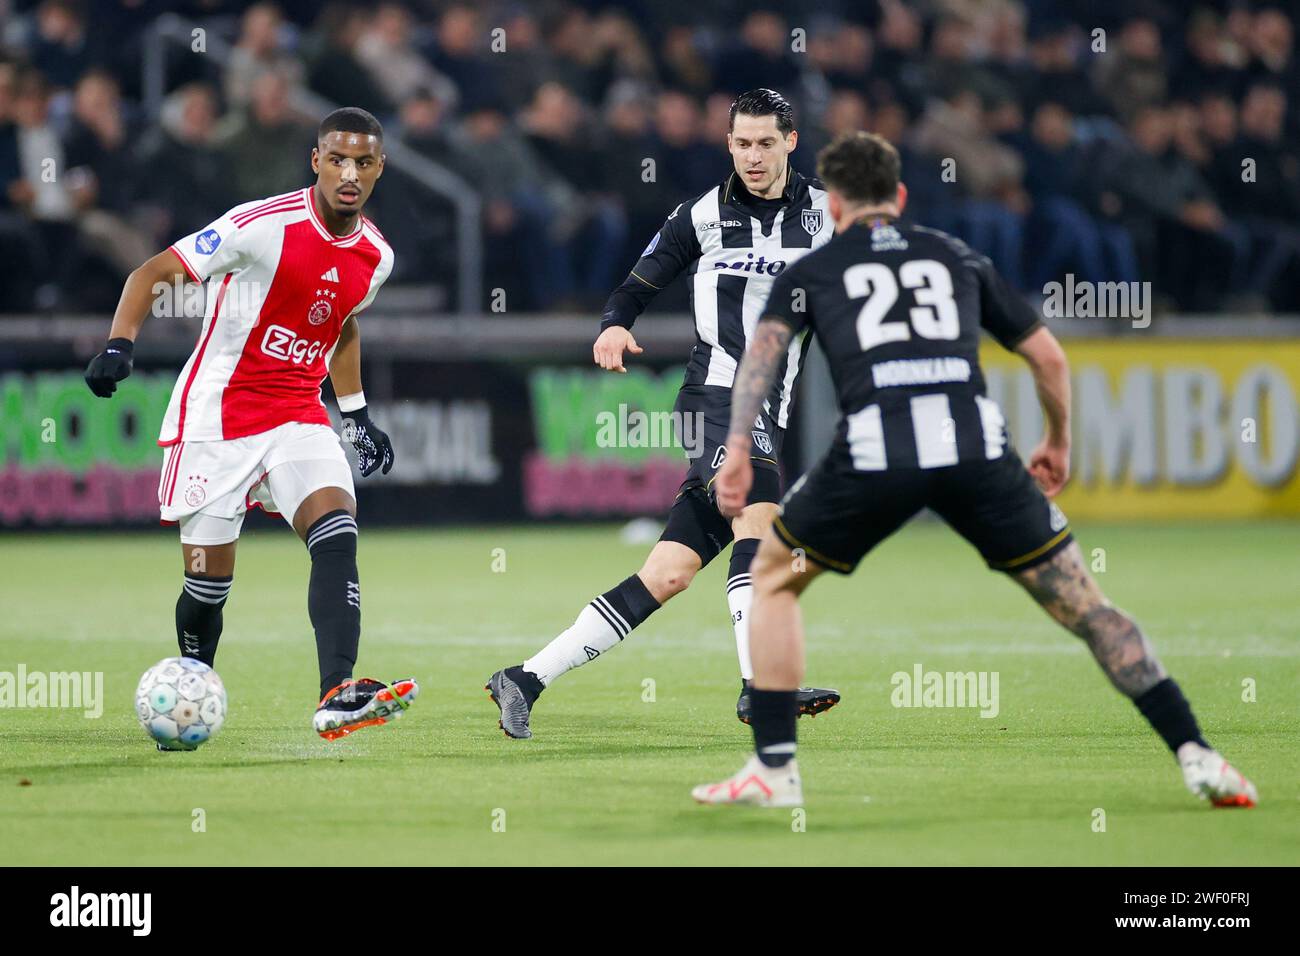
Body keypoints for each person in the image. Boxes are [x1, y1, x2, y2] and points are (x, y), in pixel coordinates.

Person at [692, 131, 1257, 810]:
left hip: (877, 454)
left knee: (772, 580)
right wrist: (1058, 442)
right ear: (899, 197)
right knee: (1088, 608)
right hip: (977, 454)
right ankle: (1199, 756)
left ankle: (775, 773)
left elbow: (761, 359)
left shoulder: (813, 270)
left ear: (833, 206)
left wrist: (733, 447)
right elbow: (1048, 357)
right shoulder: (956, 255)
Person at [485, 89, 841, 738]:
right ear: (727, 145)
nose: (753, 156)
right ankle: (760, 686)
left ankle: (525, 678)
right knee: (759, 520)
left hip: (771, 406)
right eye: (741, 143)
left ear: (791, 142)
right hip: (716, 400)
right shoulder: (700, 215)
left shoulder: (828, 214)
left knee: (669, 572)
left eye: (766, 142)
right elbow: (636, 284)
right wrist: (615, 327)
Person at [82, 108, 417, 745]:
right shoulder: (260, 225)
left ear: (379, 169)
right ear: (315, 161)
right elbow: (150, 272)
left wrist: (356, 415)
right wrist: (119, 345)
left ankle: (337, 692)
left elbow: (342, 324)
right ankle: (191, 684)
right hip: (218, 416)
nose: (350, 173)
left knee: (336, 531)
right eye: (338, 160)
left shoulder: (376, 256)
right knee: (207, 589)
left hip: (296, 413)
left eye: (363, 162)